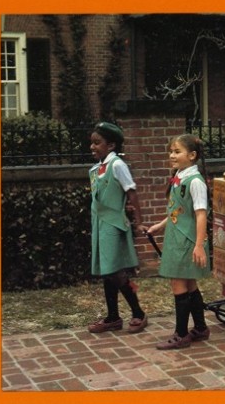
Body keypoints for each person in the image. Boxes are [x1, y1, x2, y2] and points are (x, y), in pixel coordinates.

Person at [147, 134, 212, 350]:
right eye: (171, 151)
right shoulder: (180, 176)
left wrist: (199, 245)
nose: (172, 155)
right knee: (190, 282)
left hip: (188, 240)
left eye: (177, 151)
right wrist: (160, 225)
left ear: (192, 156)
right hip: (177, 236)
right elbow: (178, 210)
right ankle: (201, 328)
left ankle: (181, 334)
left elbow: (201, 214)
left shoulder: (195, 182)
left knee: (178, 283)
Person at [88, 122, 148, 334]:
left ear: (111, 144)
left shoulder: (117, 165)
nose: (92, 147)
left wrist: (139, 221)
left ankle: (139, 313)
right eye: (91, 143)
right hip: (100, 224)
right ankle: (113, 317)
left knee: (115, 271)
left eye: (97, 143)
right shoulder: (97, 169)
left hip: (113, 224)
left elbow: (131, 192)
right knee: (108, 272)